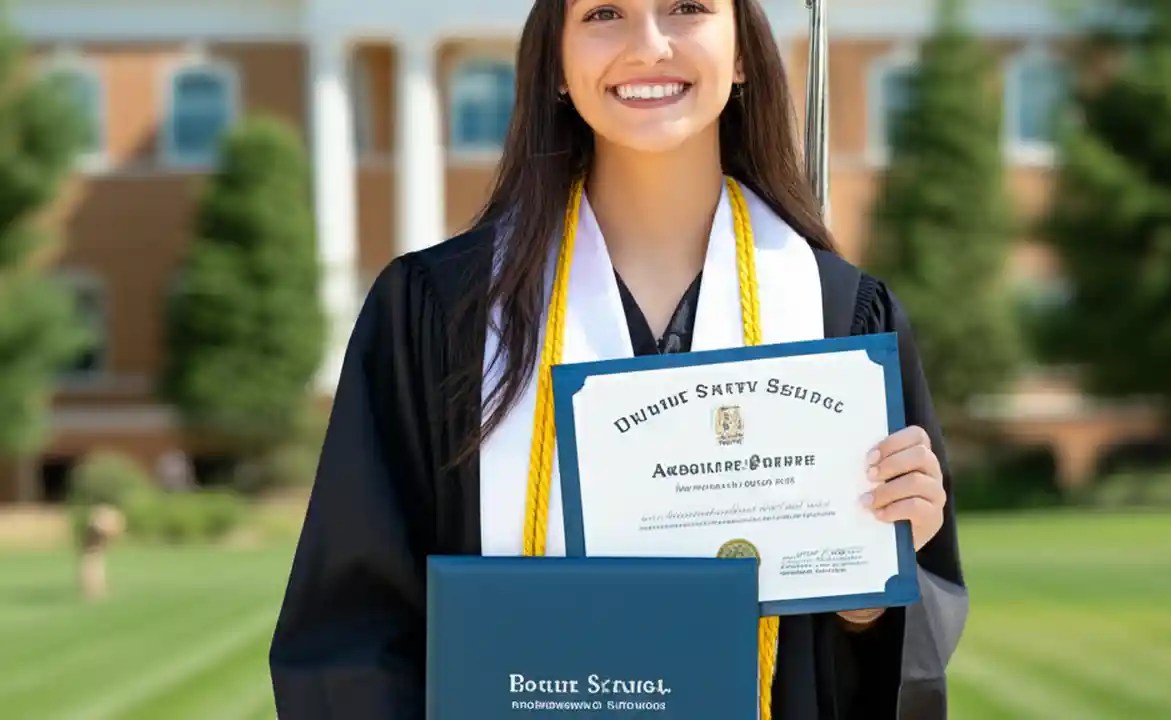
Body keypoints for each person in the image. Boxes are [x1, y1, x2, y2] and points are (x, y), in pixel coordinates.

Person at [268, 1, 967, 718]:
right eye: (605, 12)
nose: (648, 45)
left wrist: (873, 580)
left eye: (687, 8)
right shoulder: (438, 314)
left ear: (742, 54)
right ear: (558, 64)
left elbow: (873, 666)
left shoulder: (836, 317)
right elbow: (352, 633)